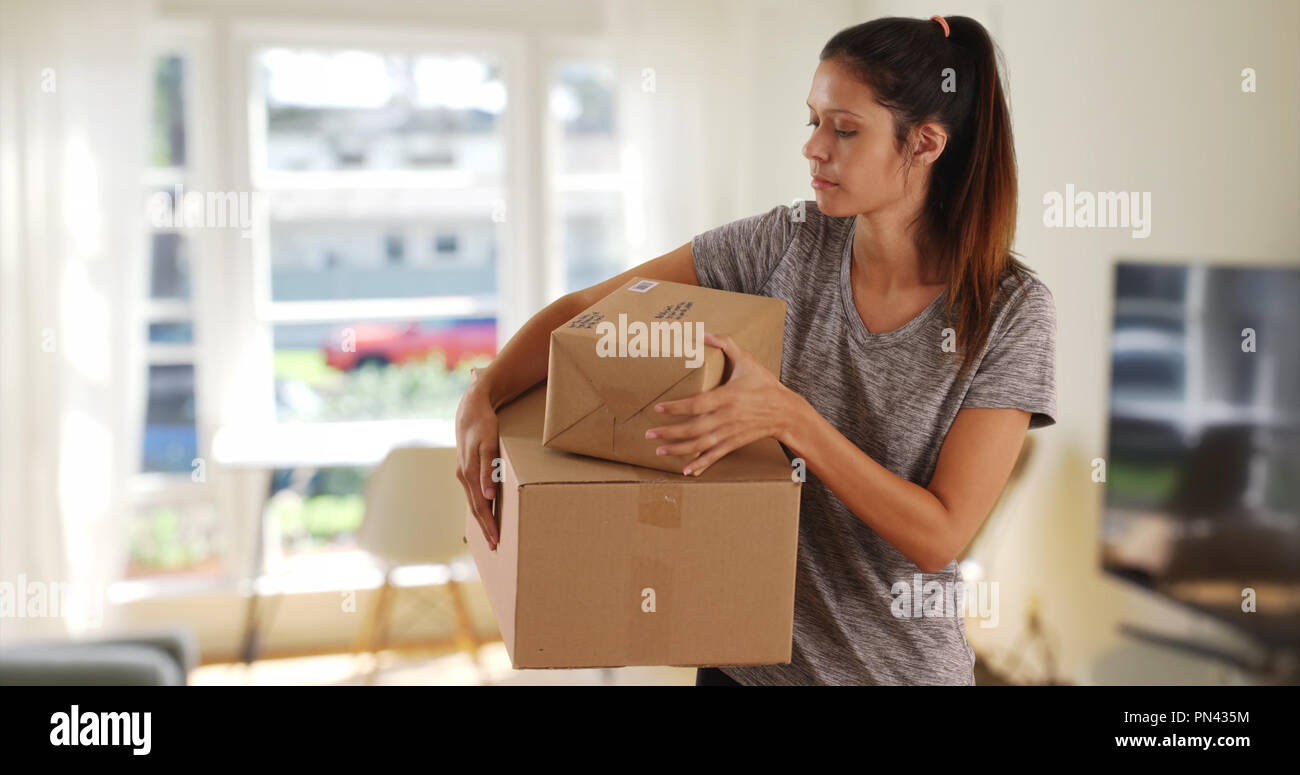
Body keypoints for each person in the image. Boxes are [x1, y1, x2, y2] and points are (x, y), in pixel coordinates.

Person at [455, 14, 1057, 685]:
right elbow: (586, 313)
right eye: (813, 121)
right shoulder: (785, 242)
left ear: (924, 143)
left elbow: (940, 534)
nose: (814, 147)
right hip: (743, 664)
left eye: (844, 128)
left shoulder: (1010, 311)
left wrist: (791, 419)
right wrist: (482, 393)